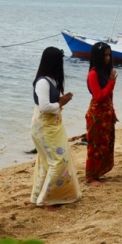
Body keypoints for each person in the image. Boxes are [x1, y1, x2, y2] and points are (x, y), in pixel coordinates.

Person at [30, 46, 82, 209]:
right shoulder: (43, 82)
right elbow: (45, 107)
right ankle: (46, 200)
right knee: (59, 161)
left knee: (49, 162)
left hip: (51, 125)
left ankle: (40, 195)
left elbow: (49, 102)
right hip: (44, 127)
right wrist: (61, 102)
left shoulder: (50, 80)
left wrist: (61, 99)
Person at [84, 42, 118, 186]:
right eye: (104, 55)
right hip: (97, 115)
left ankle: (98, 173)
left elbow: (109, 96)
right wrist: (111, 83)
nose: (107, 58)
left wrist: (113, 112)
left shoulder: (104, 72)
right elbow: (98, 96)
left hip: (106, 114)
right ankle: (90, 177)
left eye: (109, 55)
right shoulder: (93, 74)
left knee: (105, 145)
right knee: (95, 146)